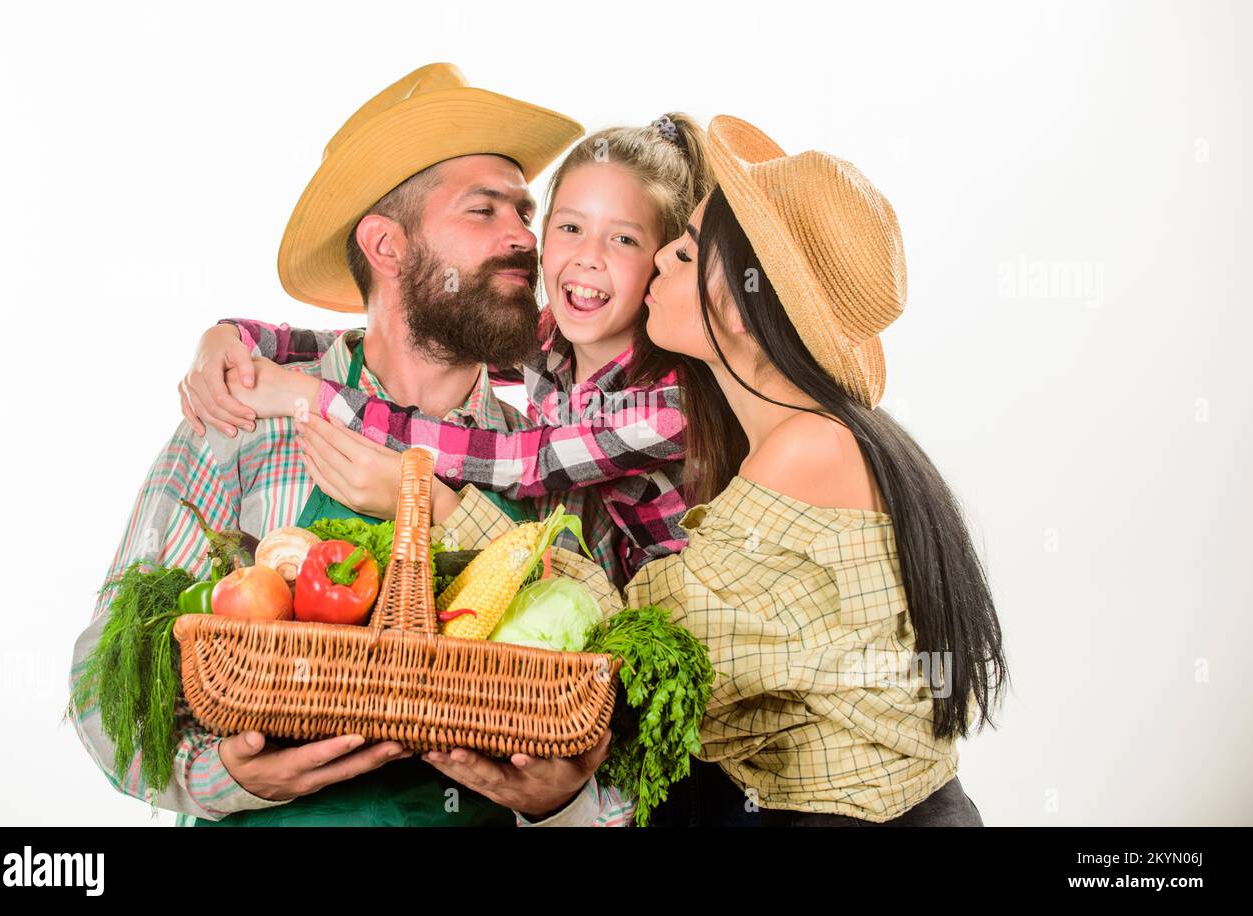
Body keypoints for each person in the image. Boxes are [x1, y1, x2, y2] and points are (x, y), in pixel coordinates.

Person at [65, 62, 628, 827]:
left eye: (524, 213)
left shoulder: (551, 455)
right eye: (484, 211)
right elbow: (105, 686)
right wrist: (229, 775)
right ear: (386, 246)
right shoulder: (247, 423)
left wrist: (560, 804)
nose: (523, 241)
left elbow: (620, 719)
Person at [420, 115, 1009, 825]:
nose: (663, 257)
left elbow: (644, 641)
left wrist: (454, 514)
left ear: (737, 295)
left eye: (687, 249)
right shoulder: (779, 441)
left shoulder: (808, 453)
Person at [178, 112, 714, 595]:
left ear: (662, 260)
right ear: (387, 247)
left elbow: (526, 468)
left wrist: (417, 493)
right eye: (568, 227)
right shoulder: (555, 346)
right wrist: (236, 337)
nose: (525, 240)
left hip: (683, 629)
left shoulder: (662, 407)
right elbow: (398, 335)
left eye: (623, 239)